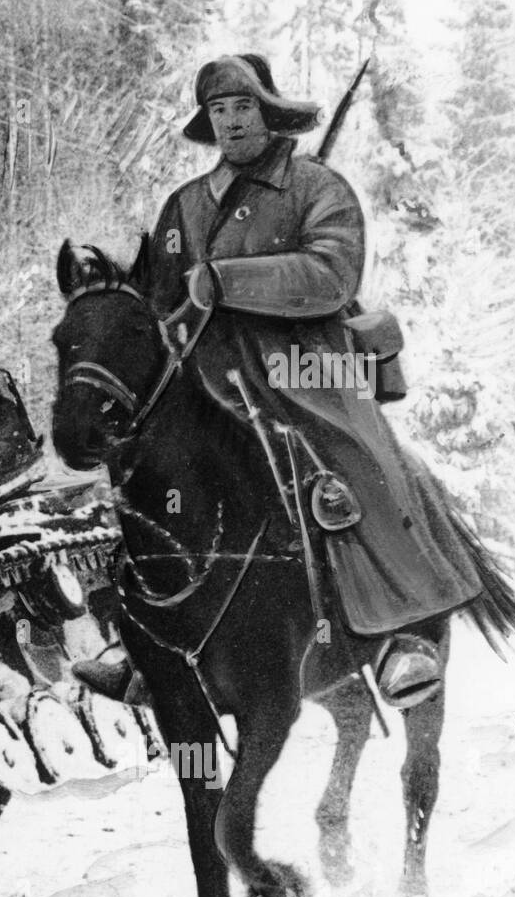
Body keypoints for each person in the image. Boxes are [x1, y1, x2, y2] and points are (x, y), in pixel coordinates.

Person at [80, 54, 486, 708]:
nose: (232, 122)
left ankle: (400, 636)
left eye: (243, 107)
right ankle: (145, 644)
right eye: (219, 110)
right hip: (208, 375)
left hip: (305, 369)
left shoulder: (321, 189)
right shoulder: (183, 206)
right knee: (148, 475)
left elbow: (331, 276)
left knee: (356, 466)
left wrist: (227, 280)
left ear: (267, 112)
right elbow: (159, 298)